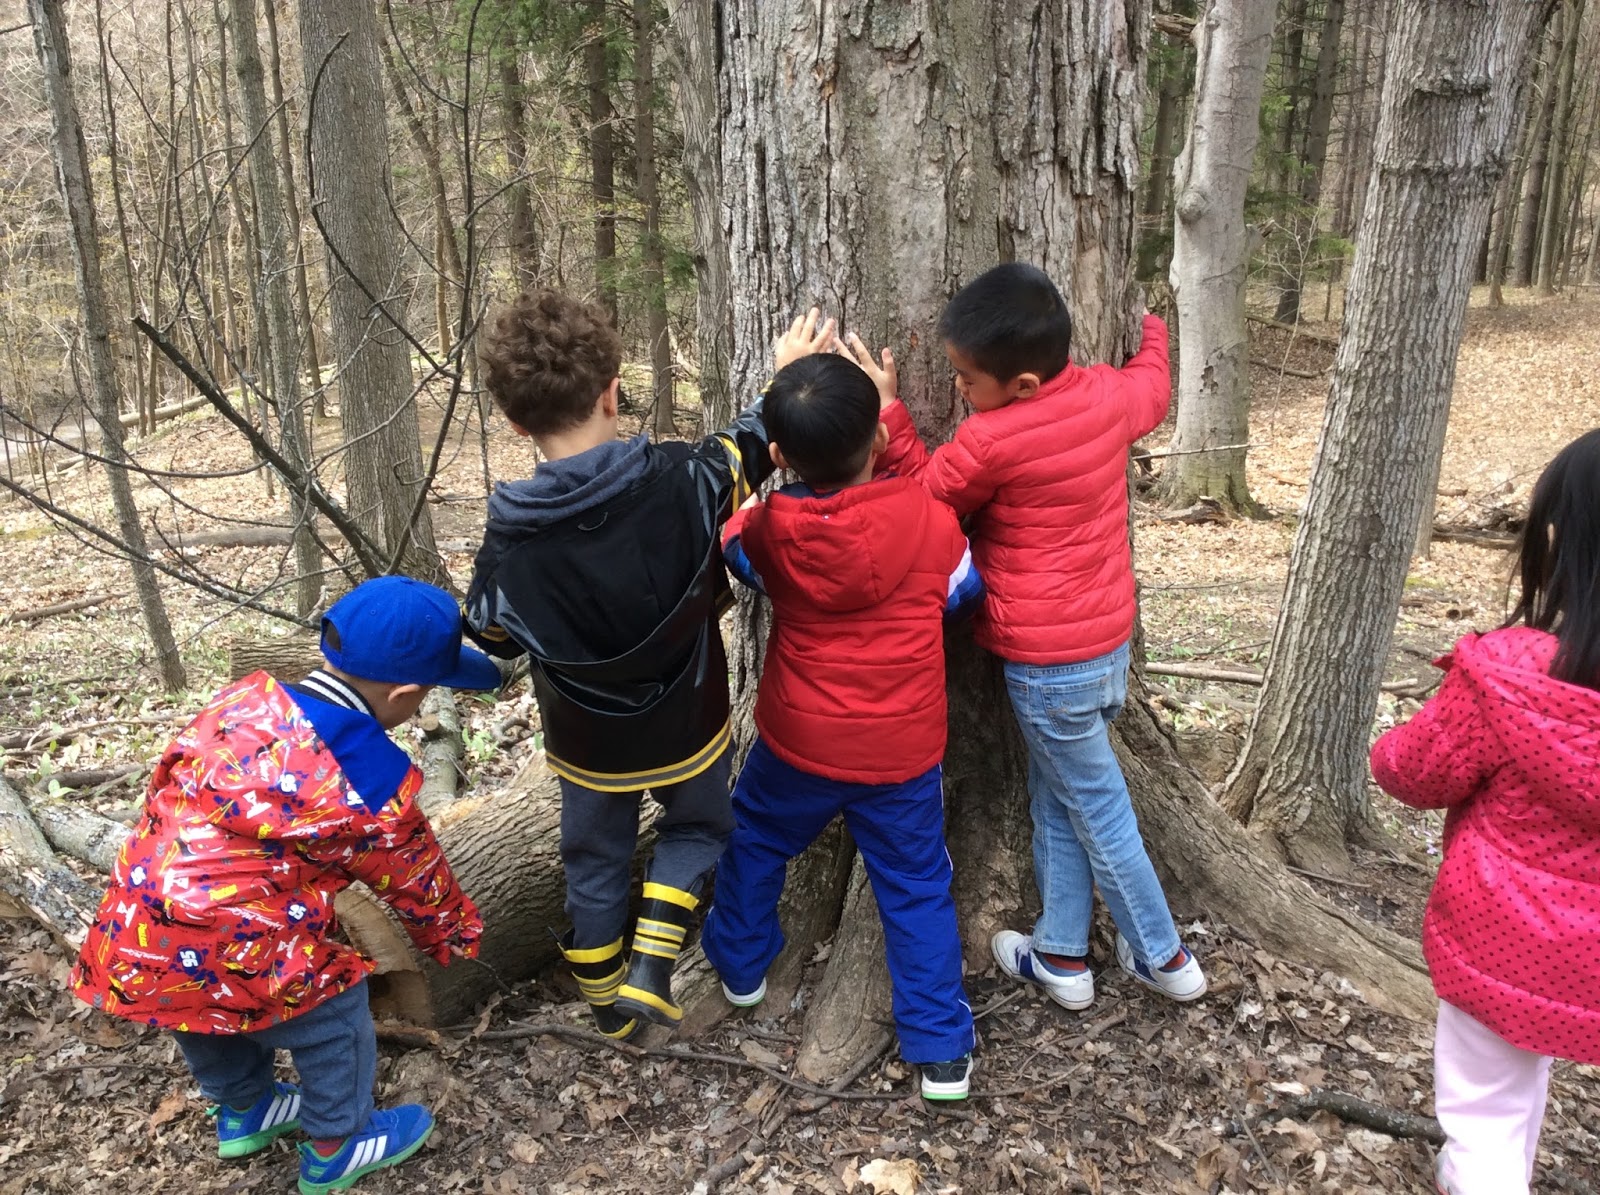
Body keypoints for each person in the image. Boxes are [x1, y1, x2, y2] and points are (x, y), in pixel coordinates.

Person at [464, 291, 836, 1038]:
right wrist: (789, 377)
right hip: (687, 724)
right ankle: (651, 967)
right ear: (611, 390)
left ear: (514, 421)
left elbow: (493, 639)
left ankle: (606, 1001)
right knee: (701, 824)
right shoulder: (682, 480)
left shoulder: (509, 542)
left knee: (593, 856)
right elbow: (753, 444)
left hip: (586, 748)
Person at [72, 576, 492, 1194]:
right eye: (425, 693)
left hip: (138, 920)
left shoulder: (241, 703)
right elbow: (411, 871)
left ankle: (245, 1109)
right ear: (403, 693)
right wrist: (451, 930)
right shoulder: (368, 770)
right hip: (236, 932)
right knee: (335, 1010)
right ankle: (338, 1142)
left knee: (195, 1003)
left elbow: (164, 776)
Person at [869, 262, 1205, 1011]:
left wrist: (892, 419)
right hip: (1106, 648)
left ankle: (1164, 956)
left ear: (1020, 385)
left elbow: (925, 499)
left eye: (965, 377)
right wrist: (1153, 331)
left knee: (1099, 808)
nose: (956, 386)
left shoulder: (992, 440)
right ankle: (1060, 953)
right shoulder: (1107, 397)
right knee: (1058, 796)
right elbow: (1152, 386)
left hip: (1048, 670)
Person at [699, 349, 983, 1100]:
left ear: (782, 455)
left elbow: (733, 546)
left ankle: (741, 964)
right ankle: (942, 1050)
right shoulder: (928, 519)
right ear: (884, 442)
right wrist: (889, 409)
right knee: (916, 883)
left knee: (755, 837)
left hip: (800, 745)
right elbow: (964, 588)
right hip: (902, 751)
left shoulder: (768, 529)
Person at [1370, 429, 1600, 1195]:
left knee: (1485, 1110)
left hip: (1507, 938)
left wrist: (1384, 752)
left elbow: (1417, 769)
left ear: (1558, 537)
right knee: (1521, 1081)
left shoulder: (1509, 676)